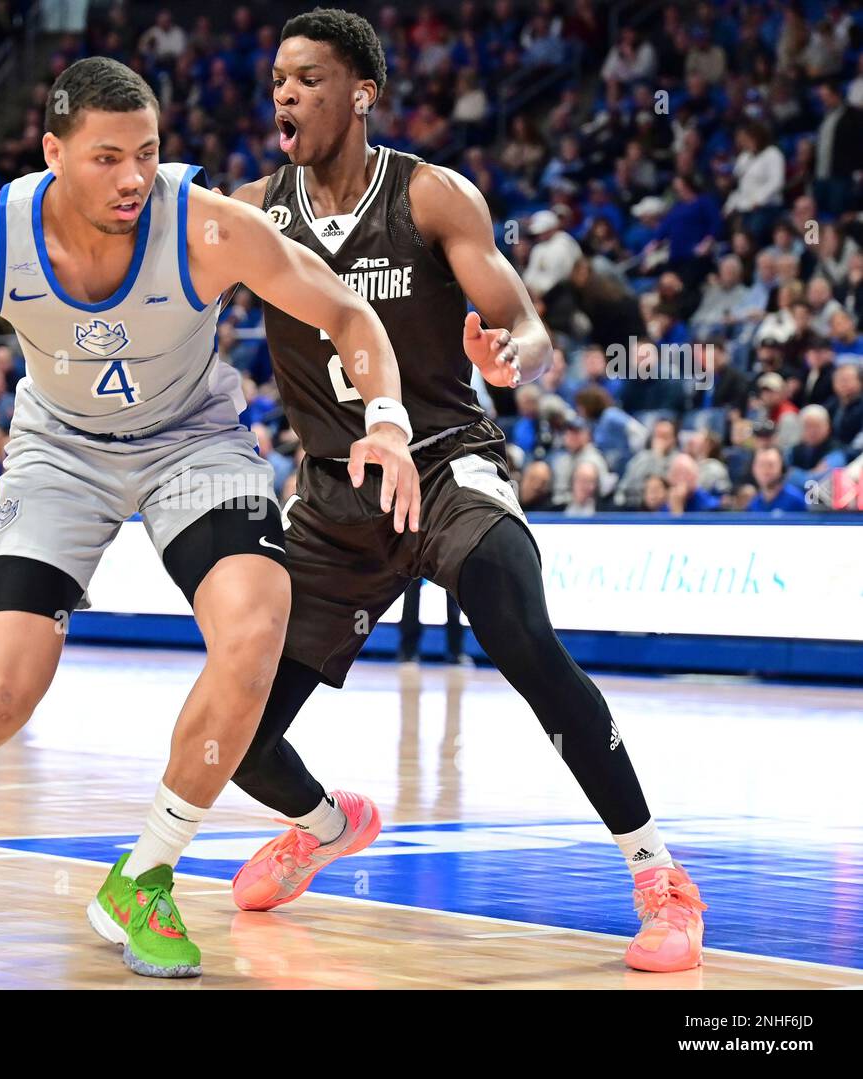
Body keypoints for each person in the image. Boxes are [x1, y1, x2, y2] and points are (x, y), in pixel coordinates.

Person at [0, 56, 416, 980]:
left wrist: (386, 420)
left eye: (146, 153)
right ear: (53, 153)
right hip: (61, 452)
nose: (133, 177)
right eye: (106, 157)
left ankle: (146, 873)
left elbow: (347, 312)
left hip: (193, 443)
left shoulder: (209, 227)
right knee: (7, 692)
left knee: (256, 628)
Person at [225, 9, 705, 974]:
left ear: (362, 91)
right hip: (333, 493)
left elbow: (525, 324)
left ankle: (659, 876)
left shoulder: (434, 196)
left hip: (446, 462)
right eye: (278, 77)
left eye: (309, 77)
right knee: (233, 728)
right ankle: (324, 824)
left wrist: (511, 356)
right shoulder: (248, 215)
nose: (285, 93)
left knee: (518, 629)